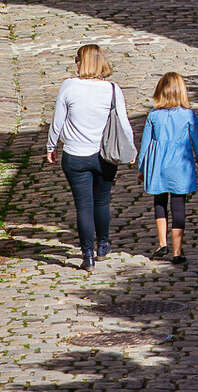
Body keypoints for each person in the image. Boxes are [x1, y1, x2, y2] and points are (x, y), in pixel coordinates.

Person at [47, 44, 131, 270]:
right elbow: (123, 123)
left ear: (81, 62)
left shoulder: (69, 87)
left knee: (83, 206)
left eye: (76, 58)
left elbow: (57, 122)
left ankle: (88, 256)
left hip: (75, 155)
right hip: (105, 155)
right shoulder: (112, 89)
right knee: (102, 202)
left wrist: (51, 146)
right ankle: (103, 245)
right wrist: (130, 149)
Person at [137, 72, 198, 266]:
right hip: (180, 167)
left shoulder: (153, 115)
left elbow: (145, 145)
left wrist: (142, 168)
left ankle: (162, 243)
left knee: (159, 202)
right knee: (179, 206)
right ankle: (177, 251)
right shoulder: (188, 115)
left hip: (158, 167)